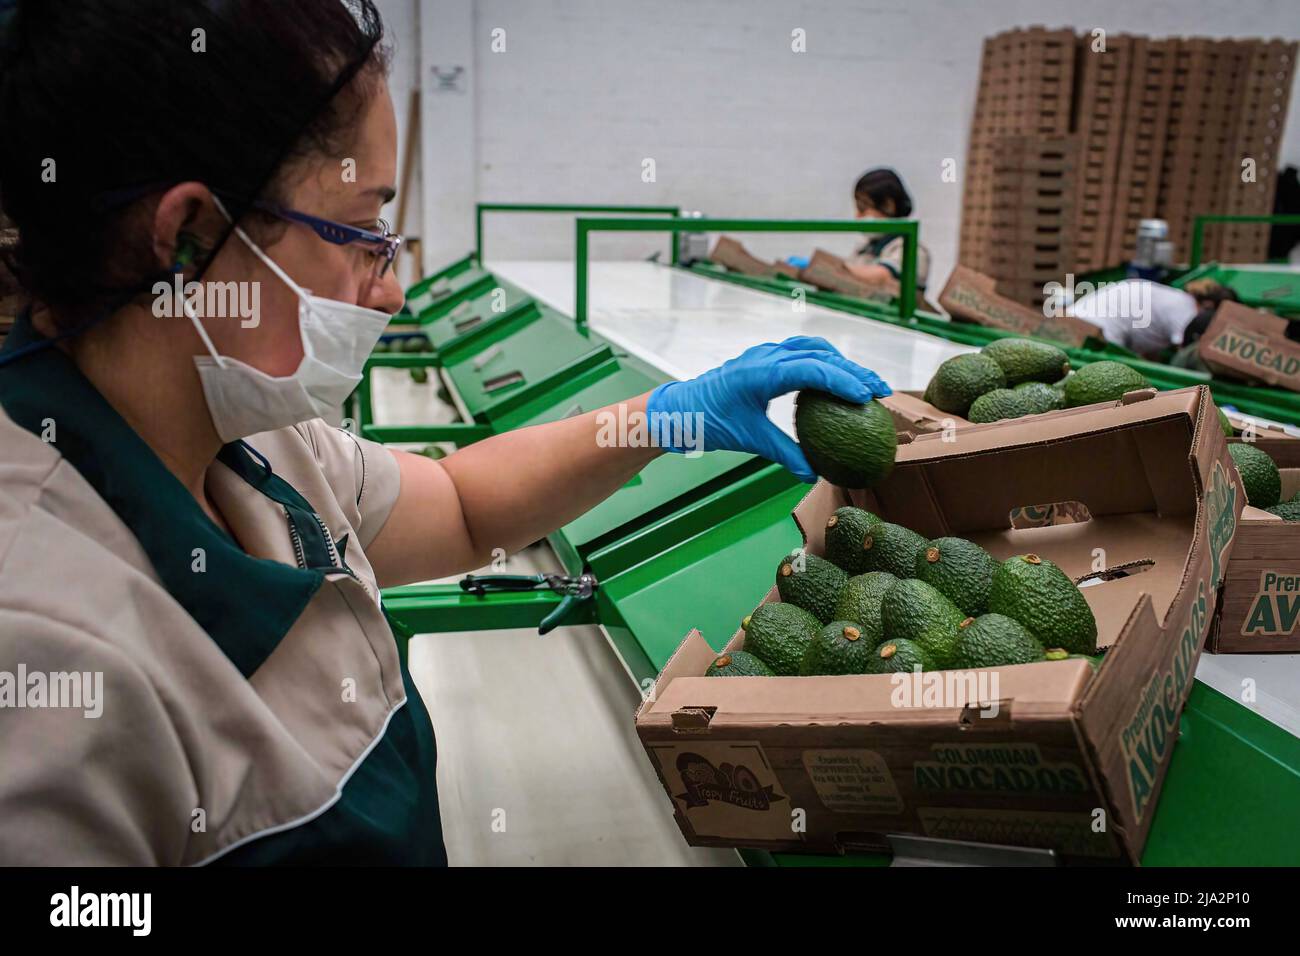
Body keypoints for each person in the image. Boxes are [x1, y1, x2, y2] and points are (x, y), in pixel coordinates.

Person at [0, 0, 888, 865]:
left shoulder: (260, 439)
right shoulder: (45, 657)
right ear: (190, 237)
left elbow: (462, 505)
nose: (390, 292)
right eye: (358, 232)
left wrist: (662, 418)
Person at [1066, 277, 1238, 362]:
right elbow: (1186, 355)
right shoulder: (1186, 310)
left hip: (1077, 318)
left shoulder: (1175, 298)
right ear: (1208, 305)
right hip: (1099, 332)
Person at [843, 167, 931, 291]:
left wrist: (832, 270)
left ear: (888, 205)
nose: (857, 215)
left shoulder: (912, 250)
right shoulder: (865, 247)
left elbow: (881, 276)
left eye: (863, 207)